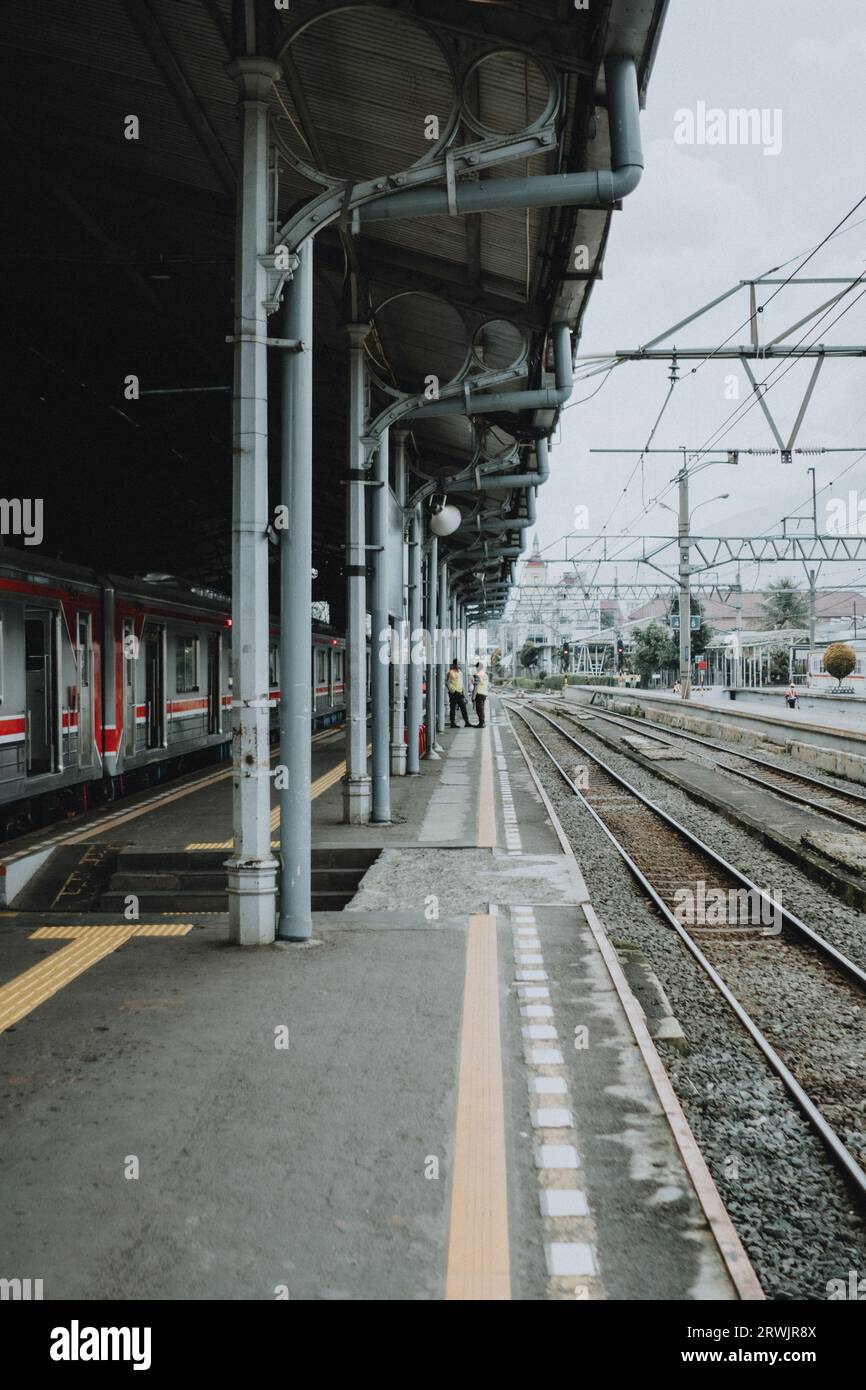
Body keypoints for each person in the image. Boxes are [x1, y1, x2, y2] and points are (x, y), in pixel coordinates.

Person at [445, 659, 471, 728]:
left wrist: (463, 691)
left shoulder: (460, 672)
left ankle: (467, 722)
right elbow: (447, 683)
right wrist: (453, 691)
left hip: (460, 693)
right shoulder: (450, 672)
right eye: (457, 664)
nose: (458, 665)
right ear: (454, 665)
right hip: (454, 694)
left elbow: (461, 682)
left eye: (459, 664)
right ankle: (452, 723)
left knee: (463, 707)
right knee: (453, 708)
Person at [471, 661, 489, 727]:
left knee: (479, 709)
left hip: (479, 694)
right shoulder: (485, 675)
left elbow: (476, 687)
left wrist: (473, 697)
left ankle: (481, 723)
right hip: (484, 694)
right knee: (482, 709)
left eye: (476, 667)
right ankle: (482, 722)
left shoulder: (477, 675)